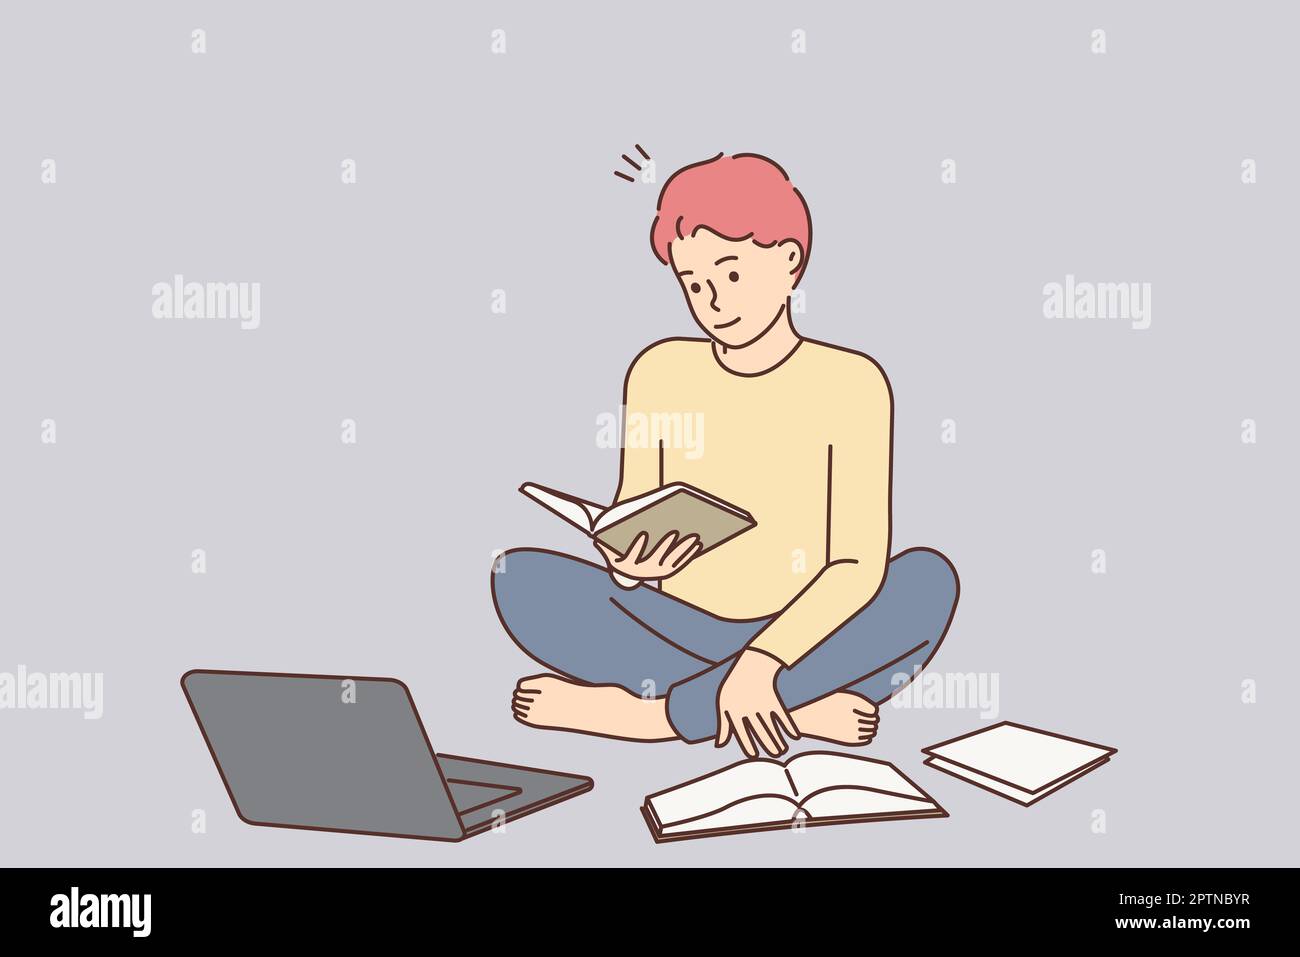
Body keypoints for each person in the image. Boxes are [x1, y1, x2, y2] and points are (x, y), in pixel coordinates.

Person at [492, 153, 958, 758]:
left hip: (806, 630)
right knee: (521, 580)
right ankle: (801, 708)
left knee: (924, 583)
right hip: (675, 625)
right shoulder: (658, 370)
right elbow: (633, 516)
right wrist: (632, 567)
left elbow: (856, 566)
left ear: (790, 261)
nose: (712, 300)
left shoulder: (852, 383)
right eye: (693, 283)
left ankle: (659, 717)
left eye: (731, 274)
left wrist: (763, 662)